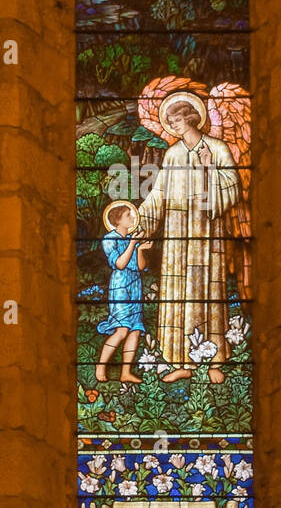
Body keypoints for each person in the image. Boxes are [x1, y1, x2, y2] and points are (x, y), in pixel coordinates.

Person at [132, 93, 240, 383]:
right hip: (178, 235)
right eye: (170, 122)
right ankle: (182, 362)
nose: (174, 126)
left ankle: (214, 359)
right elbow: (159, 194)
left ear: (192, 117)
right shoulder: (173, 155)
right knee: (179, 294)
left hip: (207, 233)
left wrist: (208, 169)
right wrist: (140, 219)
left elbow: (232, 191)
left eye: (177, 120)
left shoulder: (217, 149)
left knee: (208, 291)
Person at [94, 200, 151, 383]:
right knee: (122, 329)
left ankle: (125, 372)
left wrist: (139, 249)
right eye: (129, 215)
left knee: (134, 330)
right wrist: (133, 243)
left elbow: (140, 267)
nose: (133, 217)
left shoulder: (130, 240)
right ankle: (101, 365)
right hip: (120, 287)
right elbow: (120, 264)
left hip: (135, 286)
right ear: (117, 220)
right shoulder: (110, 239)